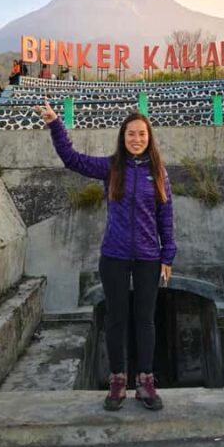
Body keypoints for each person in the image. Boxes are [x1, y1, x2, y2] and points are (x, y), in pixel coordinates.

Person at [36, 102, 175, 412]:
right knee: (115, 319)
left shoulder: (159, 173)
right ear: (122, 137)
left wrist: (168, 255)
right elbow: (72, 159)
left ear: (149, 138)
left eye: (142, 134)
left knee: (145, 320)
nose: (136, 139)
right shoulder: (111, 167)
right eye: (131, 134)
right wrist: (56, 125)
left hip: (149, 258)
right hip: (113, 255)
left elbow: (166, 215)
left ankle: (145, 382)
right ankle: (117, 381)